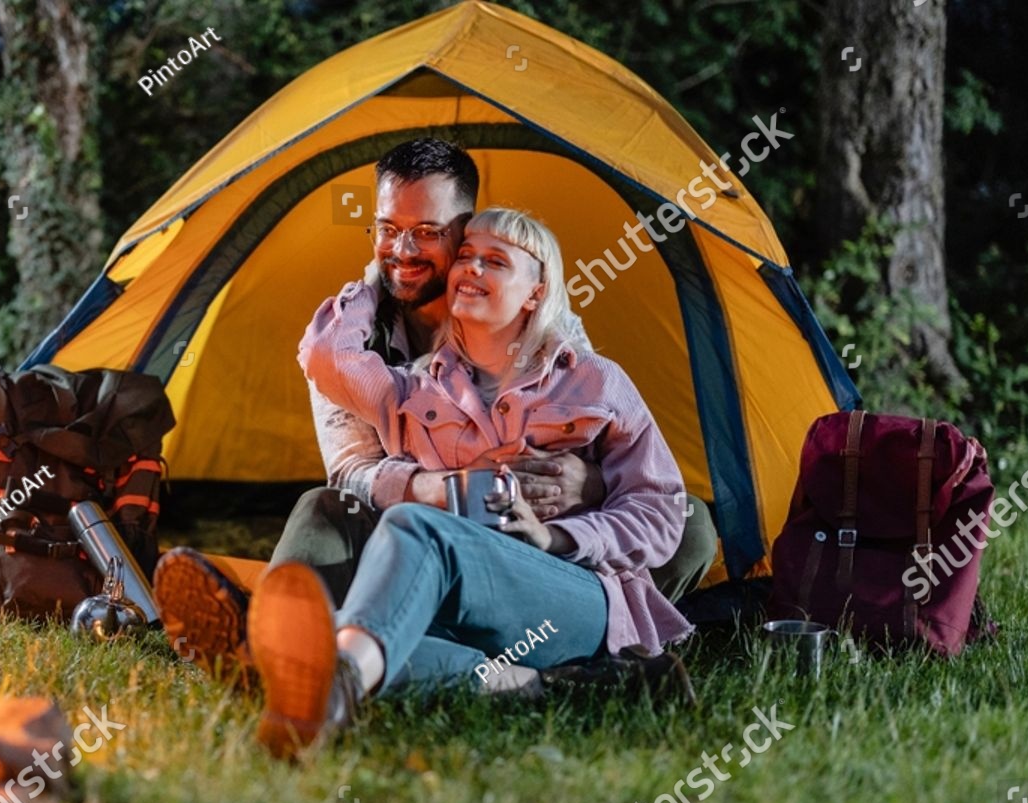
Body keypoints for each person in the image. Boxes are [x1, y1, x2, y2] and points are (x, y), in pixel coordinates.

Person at [153, 138, 716, 680]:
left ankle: (584, 638)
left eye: (427, 232)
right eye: (387, 229)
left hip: (547, 551)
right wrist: (443, 491)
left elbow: (617, 464)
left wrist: (586, 488)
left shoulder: (560, 349)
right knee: (326, 510)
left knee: (689, 523)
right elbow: (350, 472)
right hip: (417, 532)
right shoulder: (377, 363)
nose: (403, 250)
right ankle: (290, 646)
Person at [246, 206, 693, 756]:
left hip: (570, 595)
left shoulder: (593, 381)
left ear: (536, 291)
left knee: (416, 526)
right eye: (465, 257)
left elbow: (661, 511)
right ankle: (528, 685)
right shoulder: (415, 393)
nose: (470, 269)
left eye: (496, 261)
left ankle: (318, 680)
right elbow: (324, 355)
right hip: (459, 606)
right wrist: (379, 271)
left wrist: (557, 537)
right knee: (360, 630)